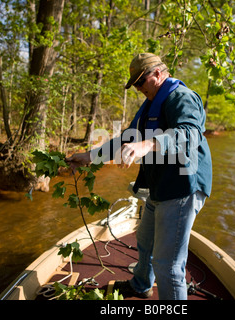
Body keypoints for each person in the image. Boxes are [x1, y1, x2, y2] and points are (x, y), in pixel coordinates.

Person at [66, 53, 212, 300]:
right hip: (159, 186)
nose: (138, 88)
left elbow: (189, 134)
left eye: (140, 81)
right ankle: (141, 285)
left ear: (157, 73)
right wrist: (88, 156)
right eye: (134, 84)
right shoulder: (149, 105)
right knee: (144, 241)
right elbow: (126, 138)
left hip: (182, 187)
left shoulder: (181, 97)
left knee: (168, 265)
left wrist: (146, 145)